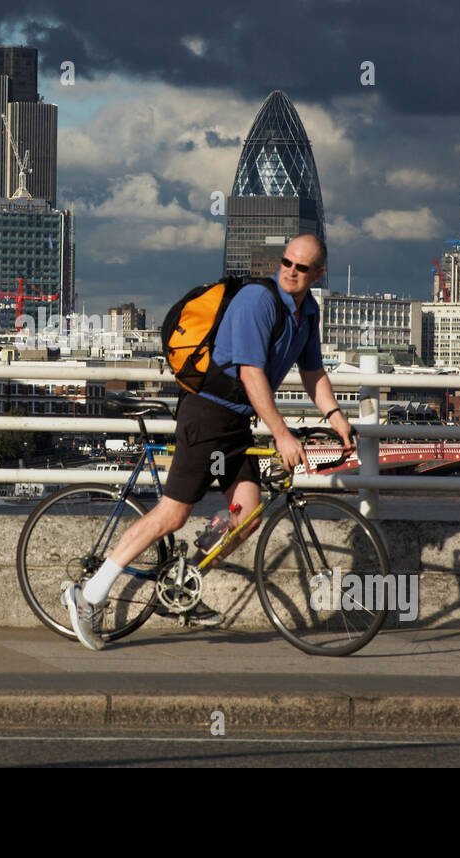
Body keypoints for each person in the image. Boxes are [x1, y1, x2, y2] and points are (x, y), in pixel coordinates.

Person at [61, 234, 356, 649]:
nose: (290, 270)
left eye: (301, 267)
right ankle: (89, 594)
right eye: (286, 261)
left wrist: (337, 416)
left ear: (318, 274)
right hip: (207, 413)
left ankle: (183, 583)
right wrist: (283, 435)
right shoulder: (259, 302)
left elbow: (312, 372)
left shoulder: (307, 312)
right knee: (174, 513)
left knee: (248, 514)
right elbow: (252, 374)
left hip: (236, 420)